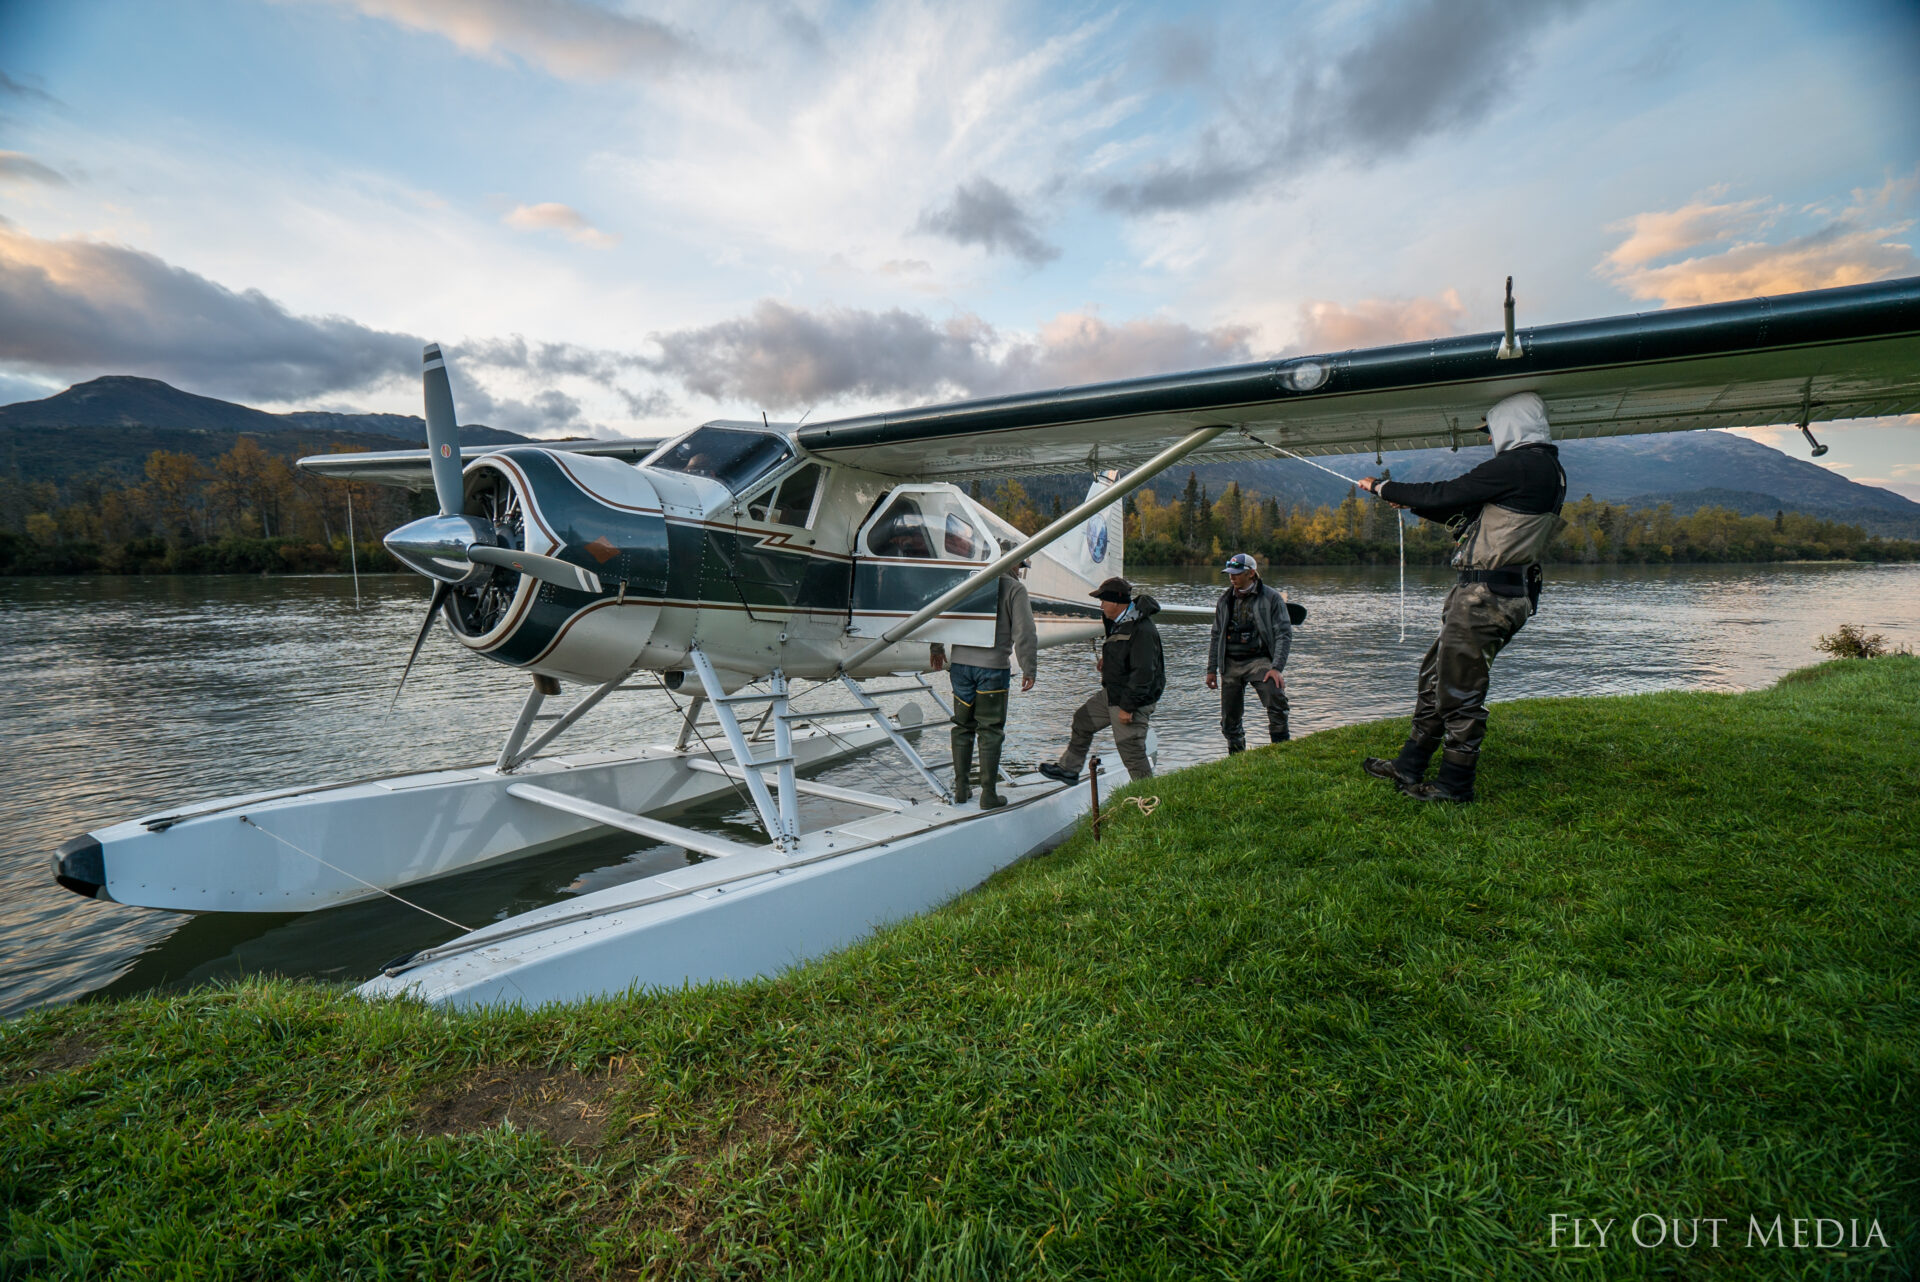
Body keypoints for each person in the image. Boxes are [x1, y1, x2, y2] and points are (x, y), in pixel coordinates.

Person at [1355, 390, 1568, 803]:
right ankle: (1409, 764)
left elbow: (1448, 493)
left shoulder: (1523, 464)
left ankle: (1455, 785)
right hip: (1493, 591)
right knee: (1435, 677)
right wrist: (1410, 503)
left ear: (1513, 424)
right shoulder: (1541, 470)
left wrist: (1382, 488)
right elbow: (1463, 511)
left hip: (1487, 596)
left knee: (1458, 691)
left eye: (1492, 430)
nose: (1490, 439)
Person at [929, 561, 1038, 809]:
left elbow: (939, 610)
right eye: (1020, 565)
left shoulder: (966, 581)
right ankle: (988, 794)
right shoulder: (1014, 589)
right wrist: (1029, 667)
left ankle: (962, 788)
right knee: (990, 730)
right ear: (1012, 563)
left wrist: (936, 647)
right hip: (992, 667)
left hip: (959, 666)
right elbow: (1025, 632)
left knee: (962, 726)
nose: (1020, 571)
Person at [1039, 576, 1164, 785]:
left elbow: (1144, 673)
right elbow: (1123, 649)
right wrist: (1109, 659)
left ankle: (1150, 799)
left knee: (1131, 751)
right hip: (1113, 694)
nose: (1101, 605)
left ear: (1116, 601)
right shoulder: (1118, 621)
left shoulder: (1142, 629)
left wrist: (1128, 707)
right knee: (1082, 721)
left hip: (1131, 700)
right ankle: (1069, 770)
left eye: (1103, 600)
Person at [1206, 551, 1292, 753]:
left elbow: (1284, 634)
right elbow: (1216, 635)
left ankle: (1282, 750)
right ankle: (1236, 756)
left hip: (1260, 661)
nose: (1232, 576)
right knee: (1229, 719)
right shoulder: (1224, 600)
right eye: (1230, 573)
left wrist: (1276, 667)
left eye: (1236, 573)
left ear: (1251, 573)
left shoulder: (1272, 598)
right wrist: (1211, 669)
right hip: (1230, 663)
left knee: (1276, 696)